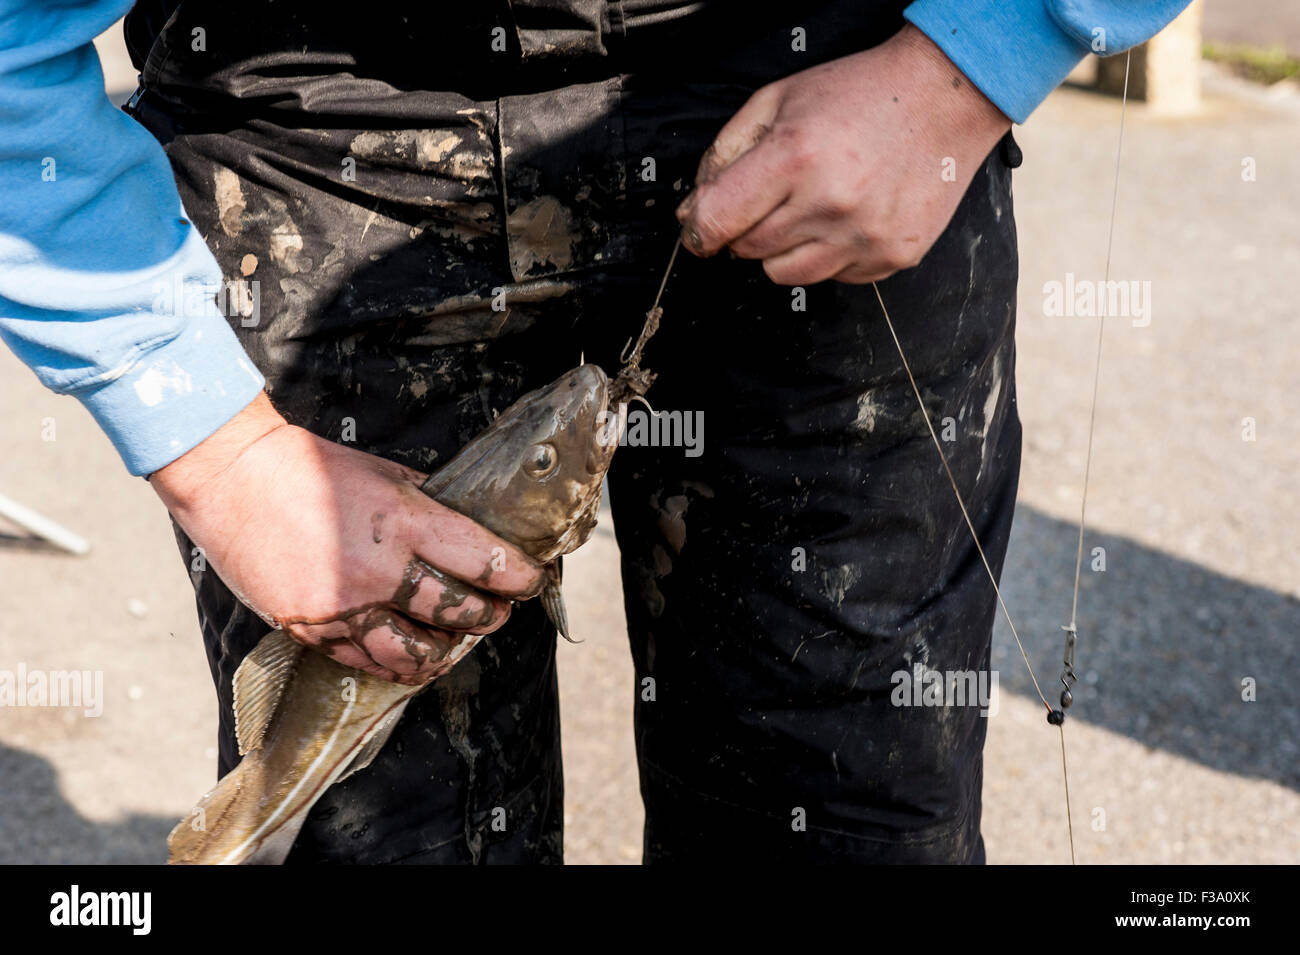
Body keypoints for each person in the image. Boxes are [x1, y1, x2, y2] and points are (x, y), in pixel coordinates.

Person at [0, 0, 1192, 863]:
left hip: (837, 86)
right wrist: (219, 451)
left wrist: (978, 58)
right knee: (376, 835)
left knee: (841, 810)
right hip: (306, 114)